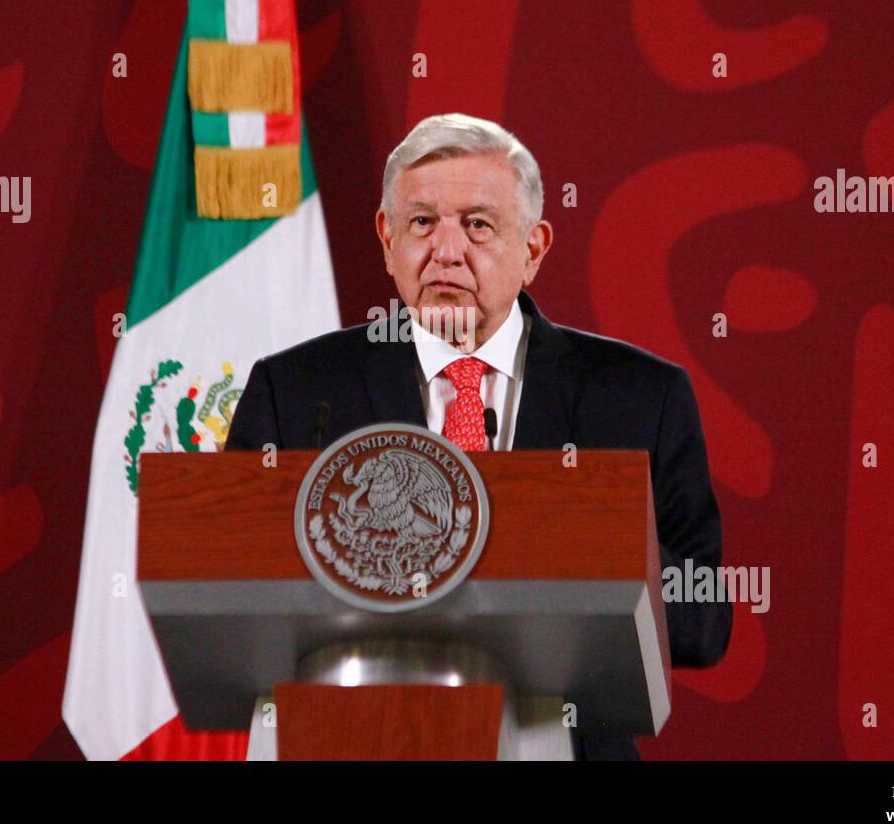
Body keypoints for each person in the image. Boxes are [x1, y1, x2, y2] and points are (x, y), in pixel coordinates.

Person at [225, 113, 731, 759]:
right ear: (387, 239)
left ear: (534, 248)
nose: (446, 249)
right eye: (421, 222)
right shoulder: (296, 392)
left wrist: (564, 590)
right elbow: (235, 596)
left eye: (478, 224)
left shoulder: (638, 399)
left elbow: (703, 619)